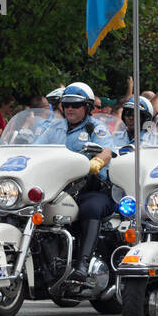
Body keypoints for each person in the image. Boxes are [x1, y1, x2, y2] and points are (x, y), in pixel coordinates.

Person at [53, 82, 118, 282]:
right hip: (60, 189)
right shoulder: (55, 128)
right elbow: (37, 146)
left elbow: (108, 150)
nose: (70, 109)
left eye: (76, 105)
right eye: (66, 105)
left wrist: (97, 162)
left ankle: (82, 265)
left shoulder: (95, 128)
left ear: (87, 107)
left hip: (93, 189)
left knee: (90, 208)